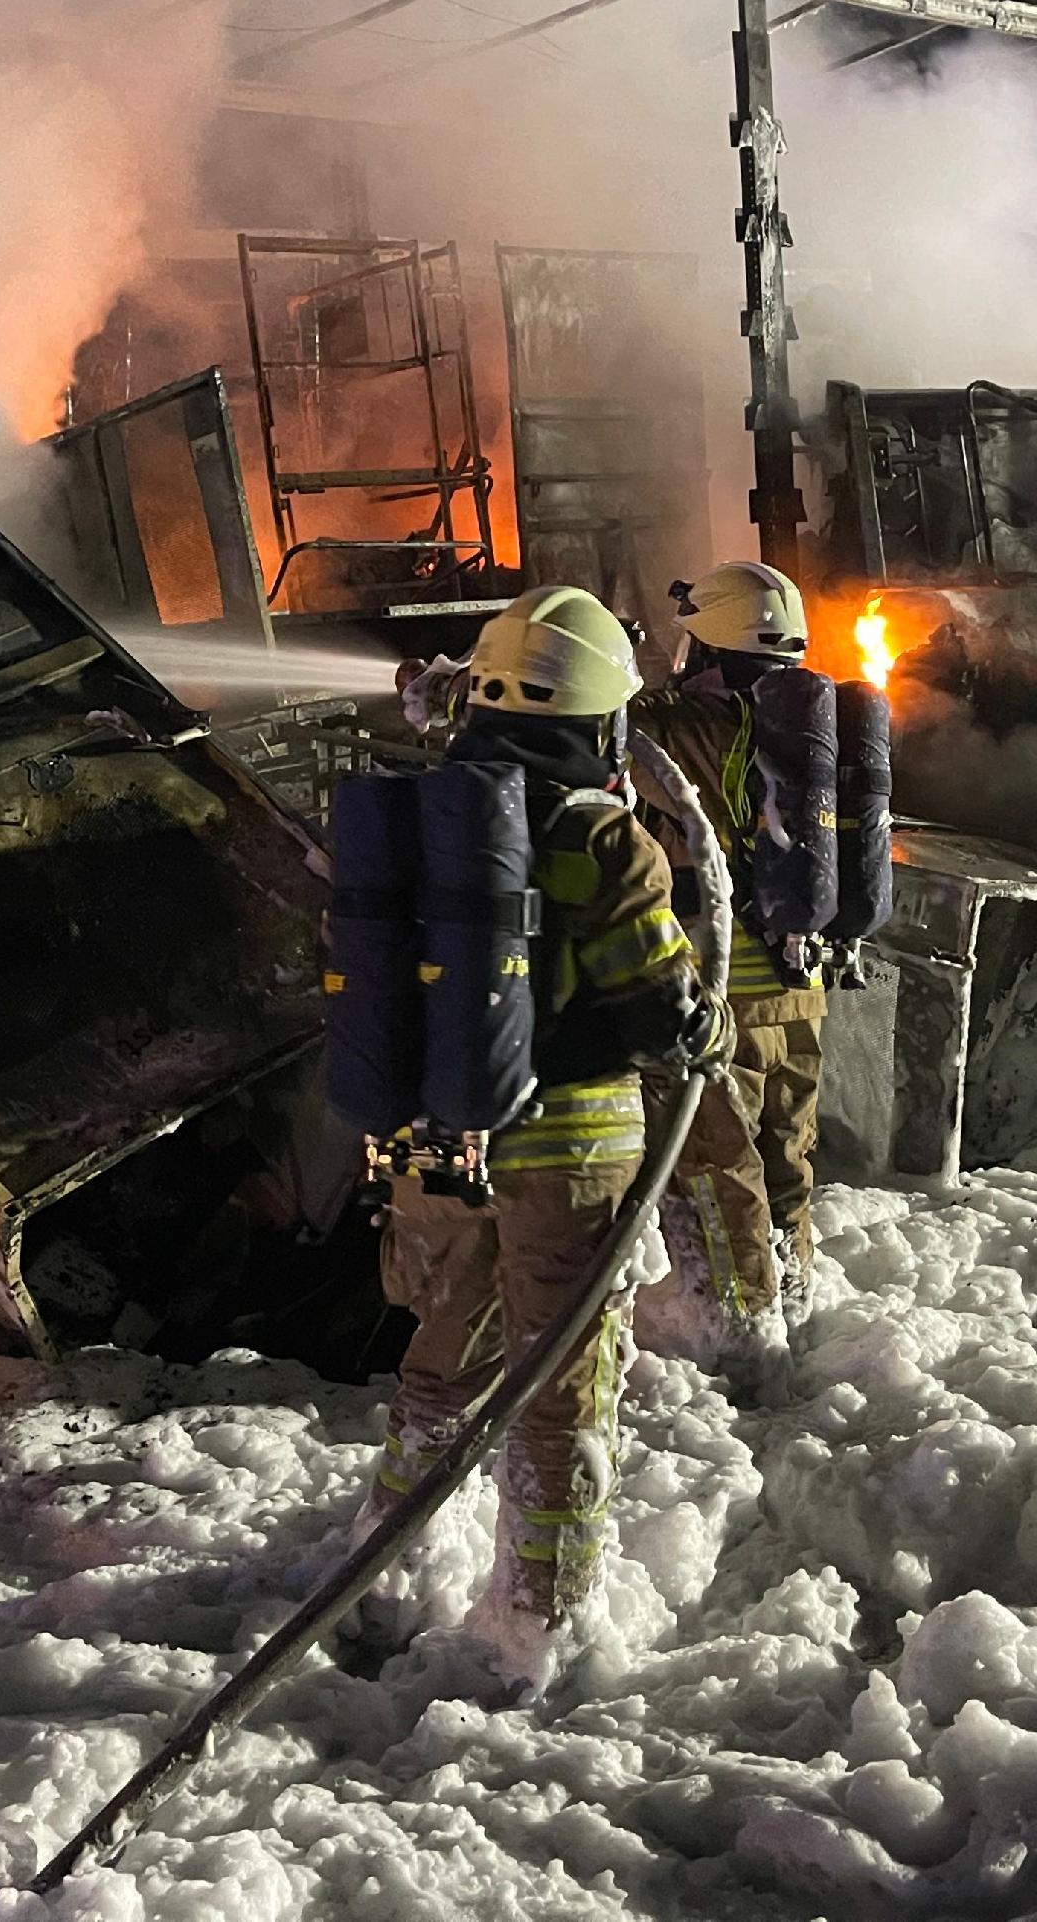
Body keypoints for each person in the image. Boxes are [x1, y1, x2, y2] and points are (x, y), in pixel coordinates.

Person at [357, 585, 710, 1683]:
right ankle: (537, 1626)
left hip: (437, 1144)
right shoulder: (605, 837)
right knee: (562, 1388)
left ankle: (382, 1568)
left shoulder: (429, 816)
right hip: (571, 1145)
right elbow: (662, 1011)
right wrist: (706, 1018)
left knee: (446, 1354)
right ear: (598, 719)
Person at [630, 559, 827, 1355]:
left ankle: (742, 1339)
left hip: (721, 993)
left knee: (718, 1166)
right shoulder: (818, 729)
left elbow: (596, 729)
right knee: (786, 1158)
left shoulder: (680, 725)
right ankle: (798, 1297)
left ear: (707, 645)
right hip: (800, 983)